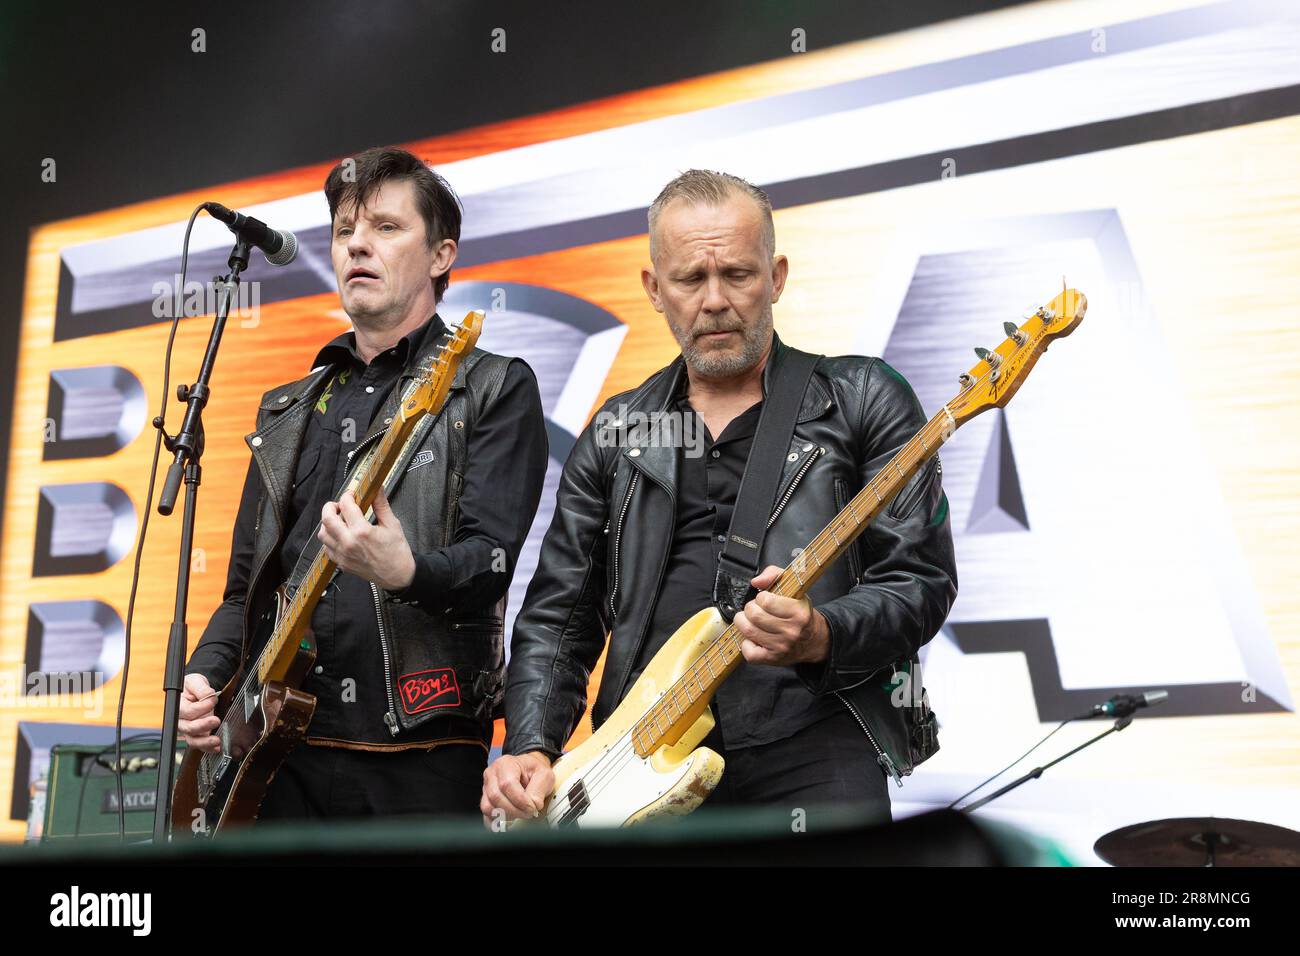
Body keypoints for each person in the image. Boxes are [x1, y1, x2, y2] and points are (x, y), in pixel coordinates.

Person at [483, 169, 956, 825]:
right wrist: (532, 744)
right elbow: (560, 614)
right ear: (654, 288)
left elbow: (920, 579)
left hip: (817, 740)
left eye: (737, 274)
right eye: (689, 279)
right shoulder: (617, 433)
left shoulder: (863, 398)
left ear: (777, 276)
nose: (714, 301)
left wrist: (823, 632)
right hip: (639, 764)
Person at [179, 146, 548, 820]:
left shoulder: (492, 385)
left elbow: (490, 559)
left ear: (441, 255)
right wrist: (206, 675)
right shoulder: (287, 408)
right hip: (277, 755)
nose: (357, 245)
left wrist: (406, 570)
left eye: (384, 227)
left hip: (419, 753)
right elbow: (245, 588)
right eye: (344, 230)